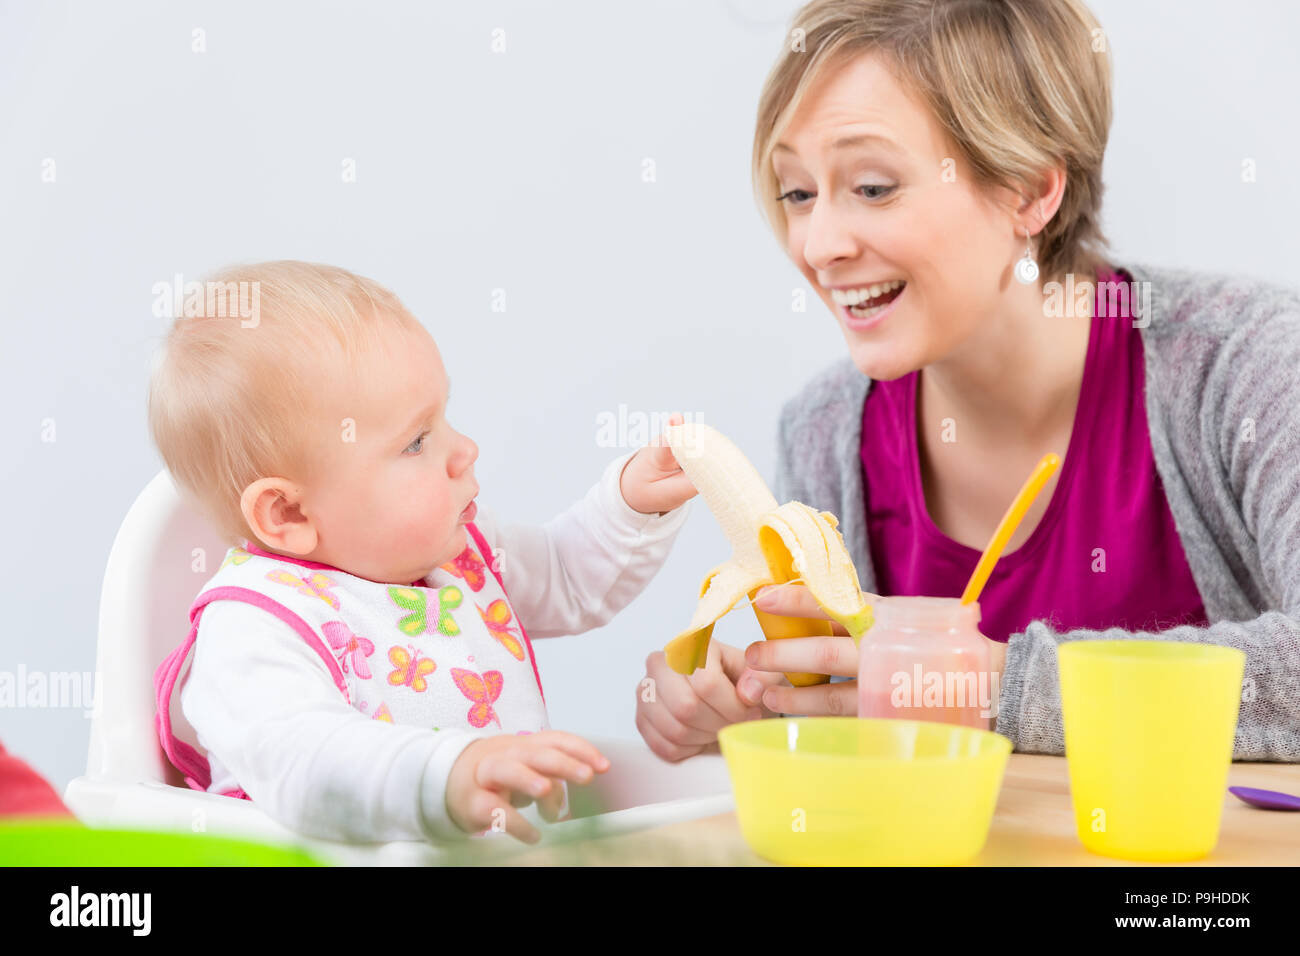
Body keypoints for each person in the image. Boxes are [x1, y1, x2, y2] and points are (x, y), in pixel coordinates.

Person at [636, 0, 1300, 762]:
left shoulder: (1247, 369)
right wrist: (763, 715)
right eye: (796, 192)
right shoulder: (823, 433)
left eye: (874, 187)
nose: (818, 245)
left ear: (1029, 190)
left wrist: (995, 686)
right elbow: (861, 751)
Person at [149, 261, 697, 844]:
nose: (465, 449)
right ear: (289, 514)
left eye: (444, 418)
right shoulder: (253, 630)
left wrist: (633, 505)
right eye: (416, 441)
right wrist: (447, 774)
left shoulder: (457, 554)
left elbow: (567, 578)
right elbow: (310, 760)